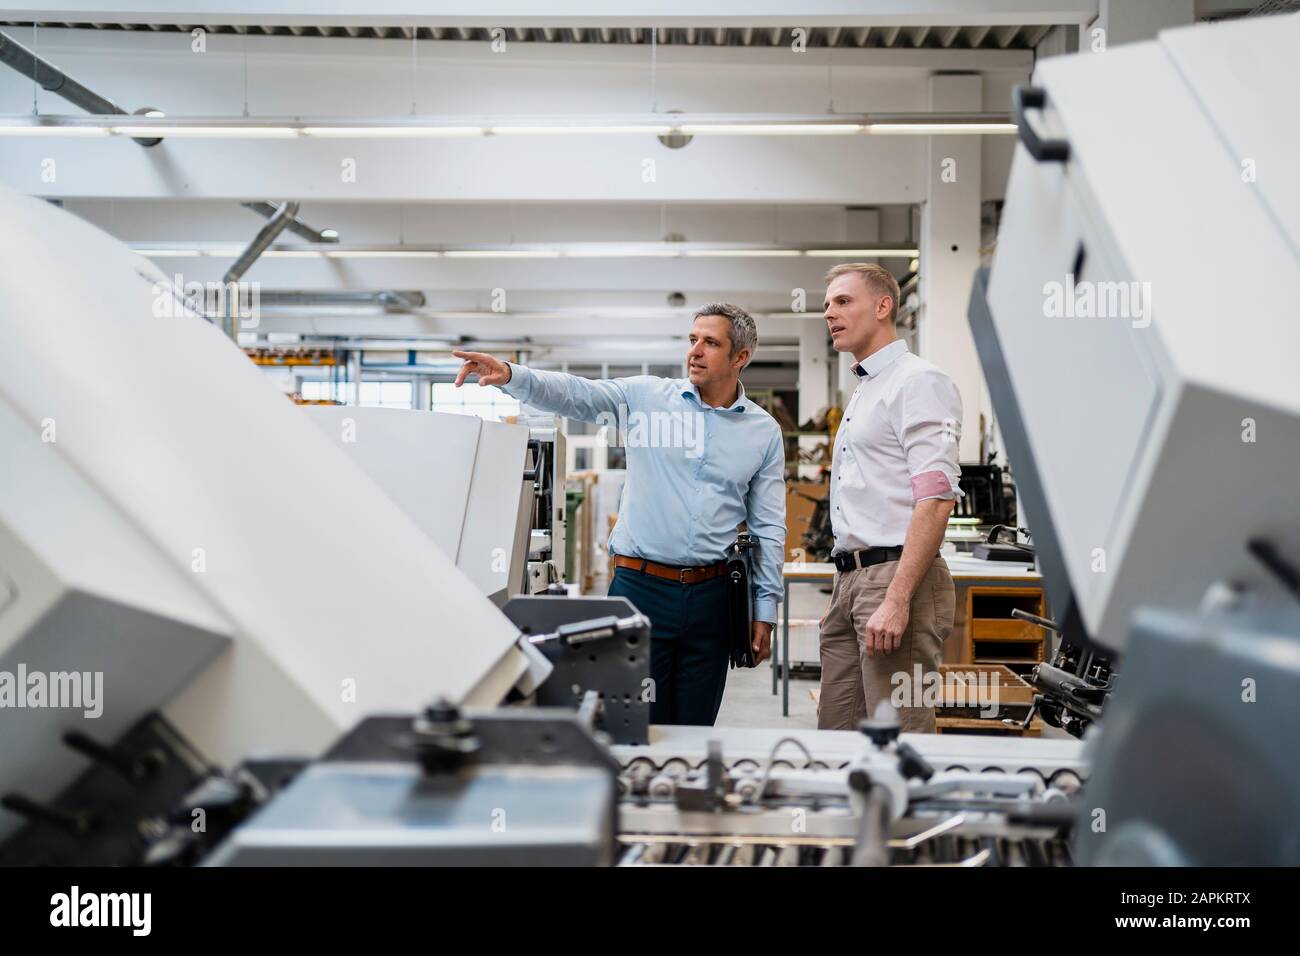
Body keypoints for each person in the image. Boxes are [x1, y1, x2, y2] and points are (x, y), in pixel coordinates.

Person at [452, 303, 785, 726]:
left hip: (714, 597)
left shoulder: (763, 432)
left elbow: (769, 527)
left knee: (696, 728)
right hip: (641, 589)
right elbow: (579, 394)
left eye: (711, 343)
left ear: (741, 357)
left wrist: (765, 609)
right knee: (632, 724)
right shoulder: (647, 399)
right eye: (692, 339)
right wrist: (513, 375)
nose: (695, 351)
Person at [818, 263, 961, 733]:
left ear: (883, 307)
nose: (829, 313)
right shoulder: (865, 389)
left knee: (900, 737)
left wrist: (896, 599)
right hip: (852, 581)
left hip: (896, 579)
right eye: (826, 304)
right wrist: (847, 587)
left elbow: (937, 498)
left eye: (843, 301)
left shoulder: (917, 381)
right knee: (836, 737)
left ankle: (901, 812)